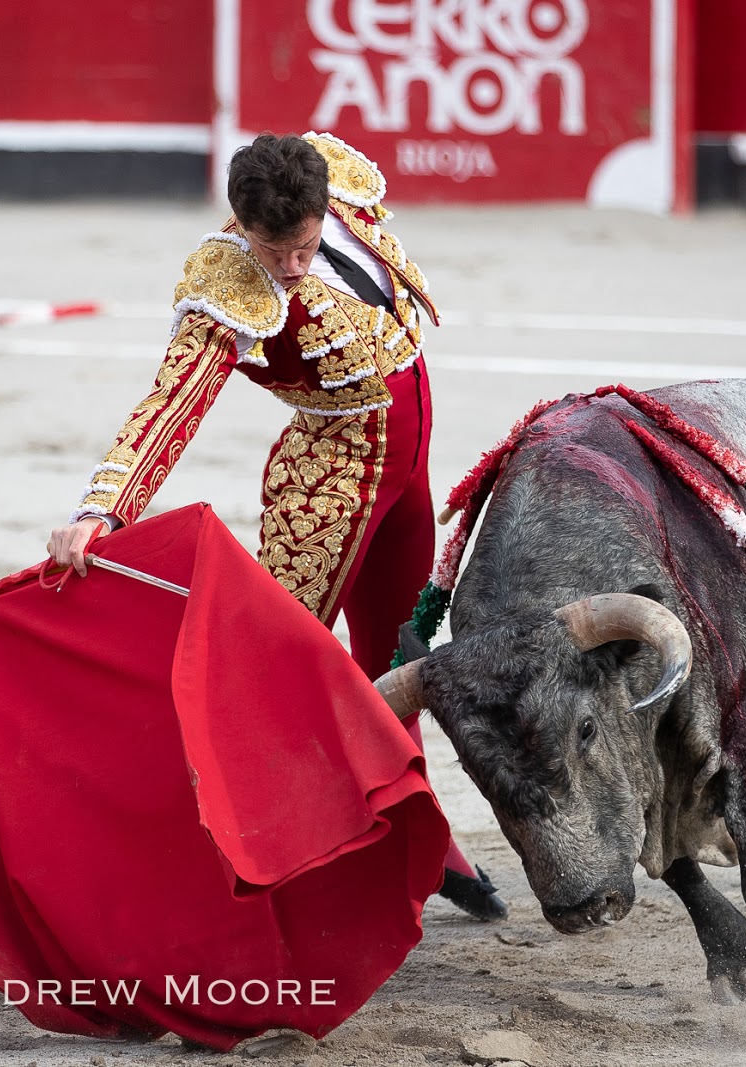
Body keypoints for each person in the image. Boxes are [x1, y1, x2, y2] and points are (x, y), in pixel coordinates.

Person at [47, 131, 505, 921]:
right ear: (241, 224)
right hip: (326, 487)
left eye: (302, 245)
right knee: (275, 678)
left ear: (325, 208)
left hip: (407, 469)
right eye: (272, 248)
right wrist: (102, 508)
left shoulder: (339, 182)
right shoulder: (227, 282)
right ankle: (236, 853)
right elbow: (173, 400)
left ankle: (415, 825)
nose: (290, 266)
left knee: (397, 652)